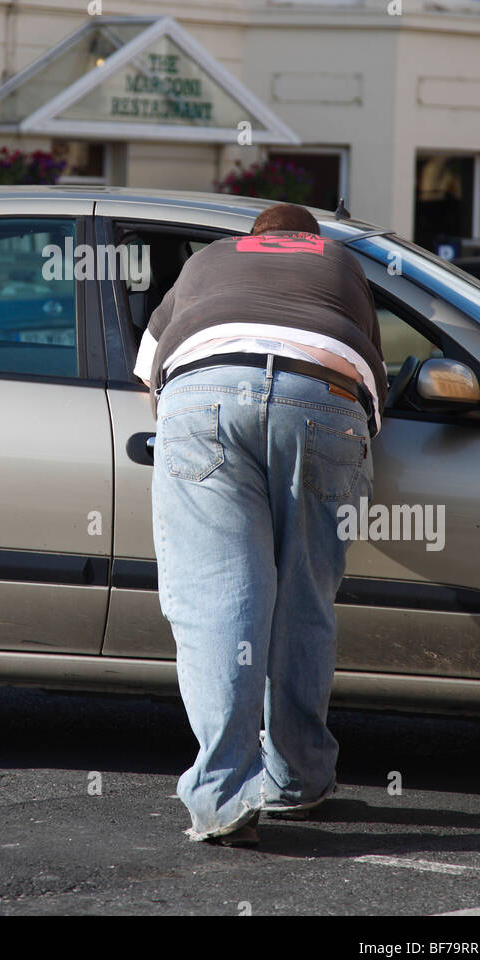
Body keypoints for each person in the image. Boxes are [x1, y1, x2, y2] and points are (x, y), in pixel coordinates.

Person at [134, 203, 388, 847]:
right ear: (309, 239)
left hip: (204, 393)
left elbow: (146, 376)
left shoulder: (205, 261)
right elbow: (370, 377)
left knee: (218, 601)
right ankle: (299, 777)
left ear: (250, 240)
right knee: (304, 599)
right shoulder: (339, 262)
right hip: (320, 397)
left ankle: (221, 793)